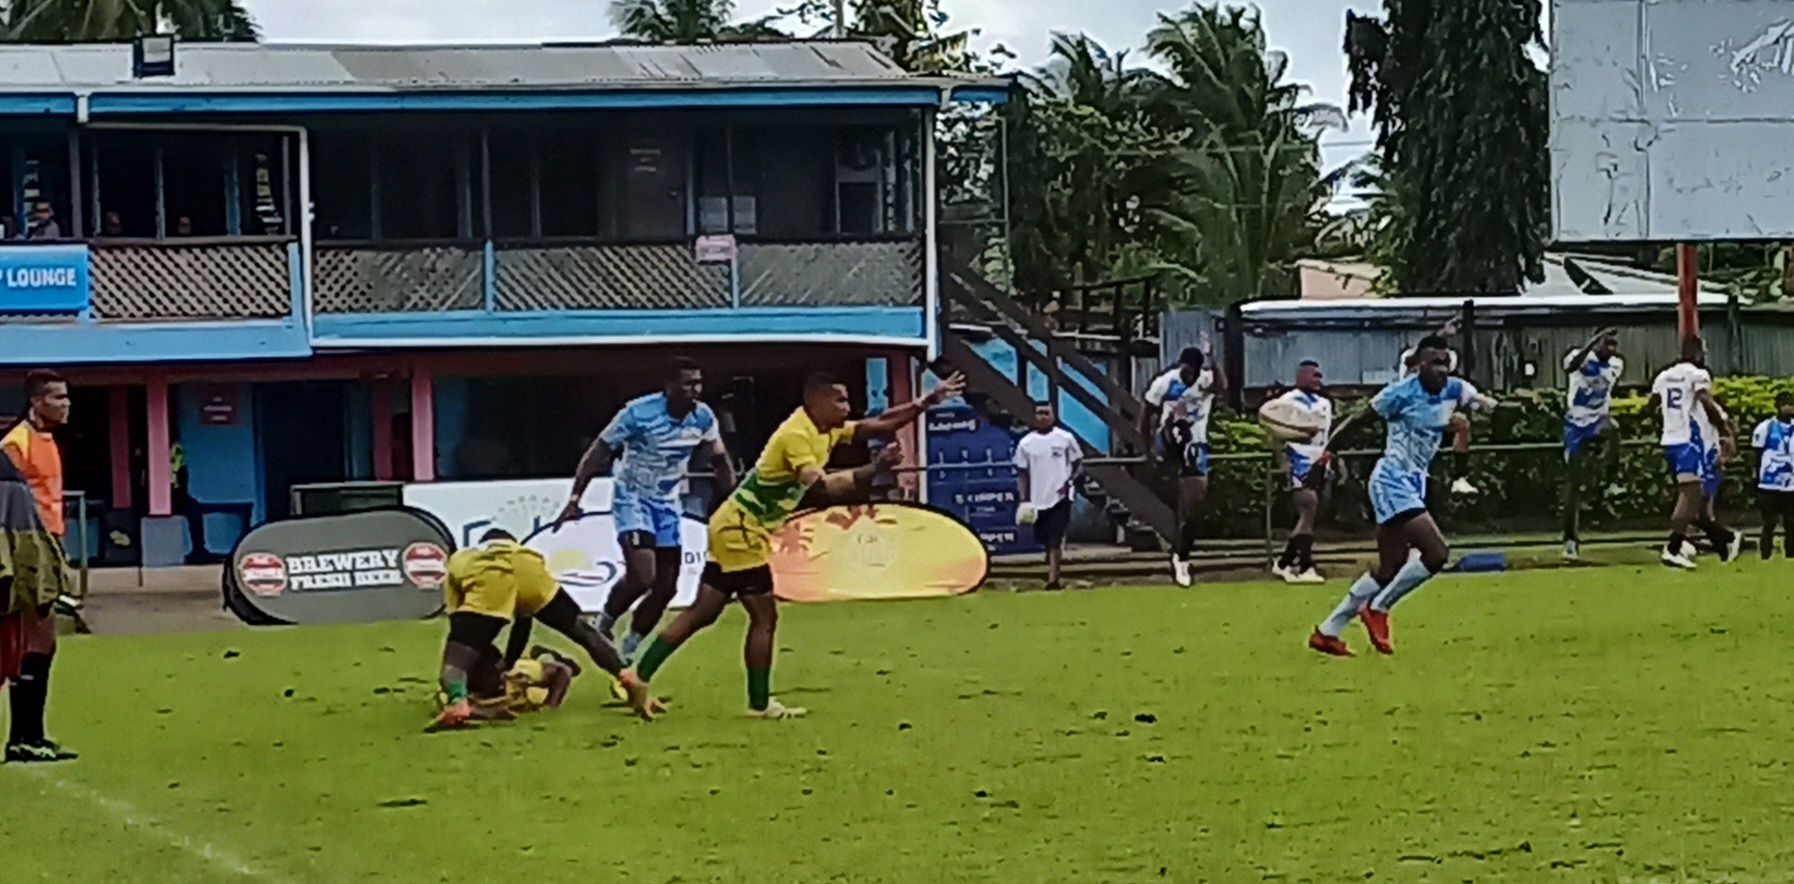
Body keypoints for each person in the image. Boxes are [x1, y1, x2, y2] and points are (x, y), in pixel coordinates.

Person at [625, 369, 965, 719]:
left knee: (702, 614)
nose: (847, 408)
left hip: (733, 526)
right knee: (764, 617)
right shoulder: (796, 436)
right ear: (815, 401)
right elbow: (822, 489)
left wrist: (927, 401)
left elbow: (877, 425)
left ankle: (636, 674)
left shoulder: (826, 428)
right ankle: (759, 704)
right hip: (743, 531)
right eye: (840, 400)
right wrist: (873, 468)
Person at [1308, 336, 1494, 657]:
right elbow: (1358, 419)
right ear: (1418, 365)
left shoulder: (1455, 388)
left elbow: (1484, 405)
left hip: (1413, 483)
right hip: (1391, 480)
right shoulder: (1399, 394)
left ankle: (1328, 631)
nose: (1440, 369)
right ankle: (1378, 608)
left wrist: (1488, 408)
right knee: (1436, 553)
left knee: (1389, 568)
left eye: (1444, 362)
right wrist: (1327, 453)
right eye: (1433, 363)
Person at [558, 358, 734, 666]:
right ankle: (606, 621)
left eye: (699, 383)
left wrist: (730, 499)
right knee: (643, 576)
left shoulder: (703, 418)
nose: (695, 390)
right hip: (633, 498)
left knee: (667, 587)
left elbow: (719, 459)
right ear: (668, 386)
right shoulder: (637, 413)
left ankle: (632, 644)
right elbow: (599, 451)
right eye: (688, 383)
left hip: (667, 502)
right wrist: (575, 497)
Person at [432, 528, 660, 730]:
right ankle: (626, 675)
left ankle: (457, 703)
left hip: (488, 575)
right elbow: (524, 618)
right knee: (582, 631)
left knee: (455, 662)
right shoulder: (524, 553)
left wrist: (467, 650)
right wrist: (509, 662)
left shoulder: (463, 558)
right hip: (530, 570)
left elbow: (459, 622)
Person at [1, 370, 78, 762]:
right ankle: (23, 737)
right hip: (28, 548)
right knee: (33, 638)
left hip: (50, 543)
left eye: (66, 397)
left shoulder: (46, 441)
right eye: (57, 398)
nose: (66, 404)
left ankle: (30, 734)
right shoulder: (17, 443)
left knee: (44, 640)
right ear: (36, 402)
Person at [1646, 337, 1742, 570]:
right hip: (1688, 440)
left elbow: (1651, 406)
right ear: (1698, 352)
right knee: (1691, 496)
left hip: (1670, 440)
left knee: (1692, 497)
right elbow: (1705, 402)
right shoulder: (1697, 375)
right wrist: (1723, 430)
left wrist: (1663, 425)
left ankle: (1723, 539)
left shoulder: (1663, 376)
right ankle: (1673, 548)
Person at [1142, 345, 1226, 587]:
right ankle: (1176, 548)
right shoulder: (1165, 383)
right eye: (1187, 370)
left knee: (1195, 504)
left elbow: (1222, 387)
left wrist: (1213, 359)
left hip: (1196, 445)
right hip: (1168, 440)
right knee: (1177, 430)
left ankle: (1182, 555)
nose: (1191, 375)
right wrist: (1147, 447)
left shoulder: (1206, 380)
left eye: (1195, 370)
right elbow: (1146, 413)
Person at [1561, 329, 1624, 561]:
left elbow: (1605, 379)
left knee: (1613, 429)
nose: (1611, 349)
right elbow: (1571, 367)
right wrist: (1591, 344)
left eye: (1614, 345)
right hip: (1575, 423)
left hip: (1598, 419)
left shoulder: (1616, 365)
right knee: (1573, 485)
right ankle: (1570, 540)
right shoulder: (1579, 356)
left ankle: (1612, 479)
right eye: (1606, 344)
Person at [1269, 360, 1332, 584]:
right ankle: (1305, 566)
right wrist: (1283, 461)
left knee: (1311, 516)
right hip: (1299, 461)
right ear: (1301, 376)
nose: (1318, 379)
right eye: (1313, 375)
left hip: (1320, 463)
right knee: (1307, 508)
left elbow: (1326, 435)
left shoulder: (1324, 403)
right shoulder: (1287, 402)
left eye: (1319, 375)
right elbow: (1274, 431)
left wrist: (1328, 455)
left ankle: (1284, 563)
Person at [1013, 402, 1083, 591]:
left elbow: (1079, 463)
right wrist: (1023, 498)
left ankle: (1054, 579)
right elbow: (1022, 472)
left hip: (1060, 496)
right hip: (1037, 498)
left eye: (1046, 413)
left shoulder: (1065, 438)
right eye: (1039, 413)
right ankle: (1051, 568)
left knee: (1055, 537)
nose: (1042, 417)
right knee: (1043, 538)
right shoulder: (1026, 444)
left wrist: (1069, 481)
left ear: (1053, 415)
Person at [1752, 392, 1794, 560]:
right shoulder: (1766, 427)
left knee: (1791, 522)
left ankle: (1791, 555)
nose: (1788, 407)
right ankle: (1765, 554)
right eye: (1785, 403)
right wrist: (1756, 477)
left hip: (1791, 483)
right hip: (1769, 483)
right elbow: (1757, 454)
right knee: (1769, 522)